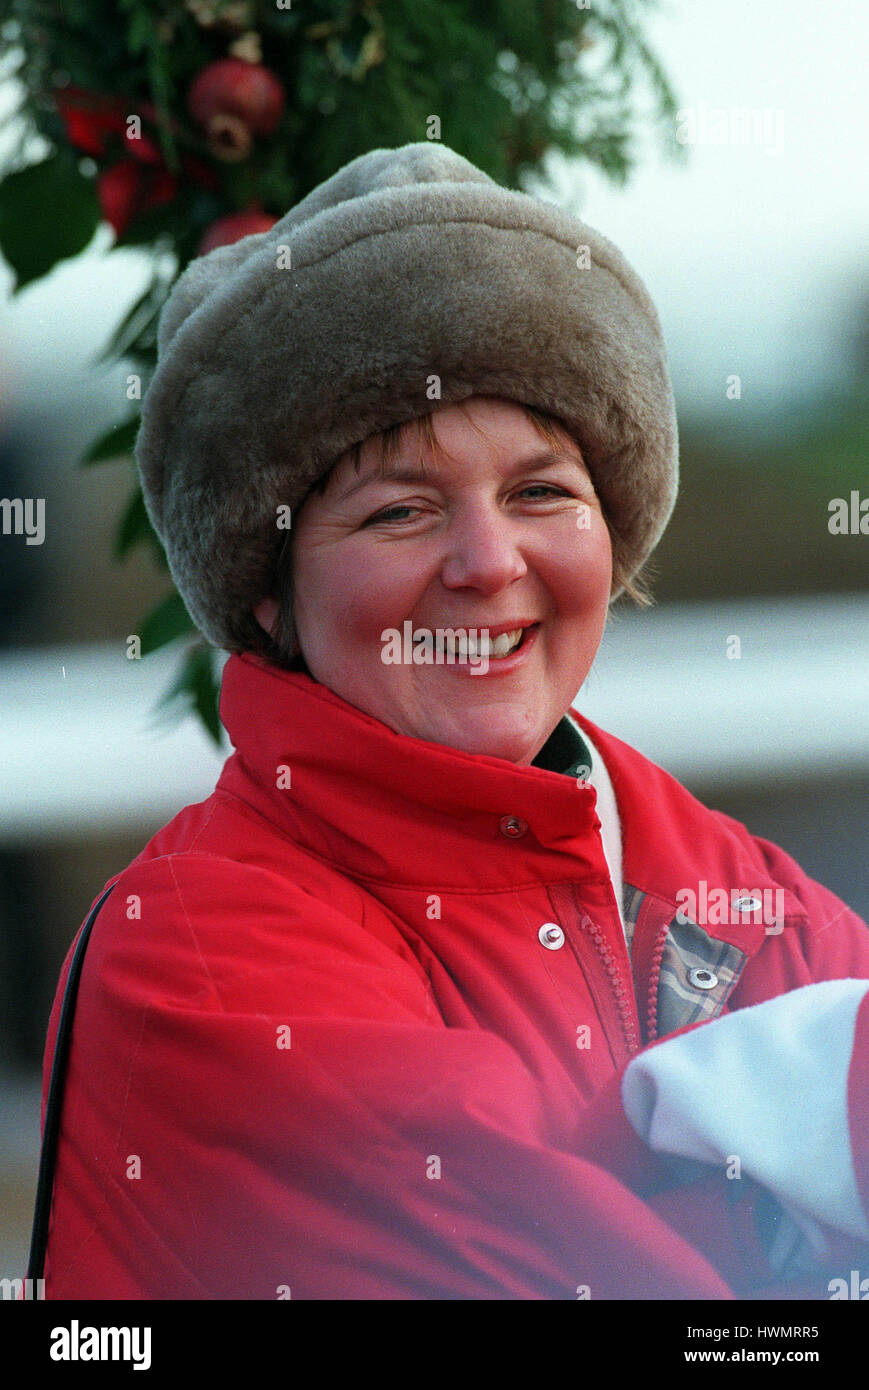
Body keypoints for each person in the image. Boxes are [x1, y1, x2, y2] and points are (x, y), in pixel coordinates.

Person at [37, 142, 869, 1300]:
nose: (488, 564)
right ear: (268, 589)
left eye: (541, 493)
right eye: (399, 511)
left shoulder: (743, 895)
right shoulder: (199, 960)